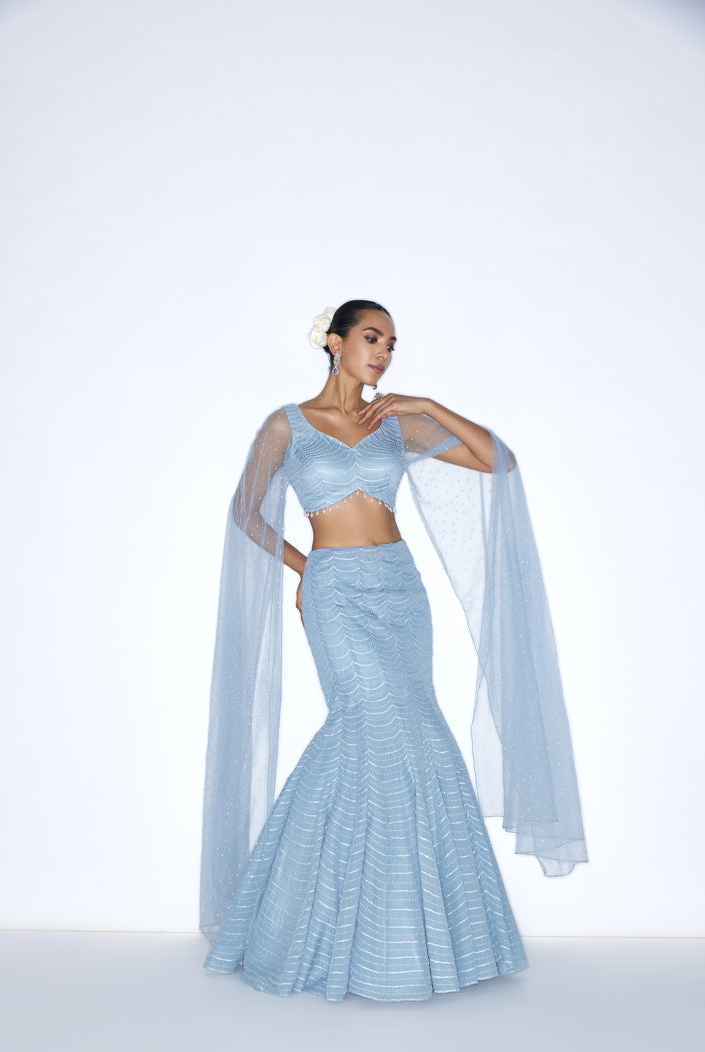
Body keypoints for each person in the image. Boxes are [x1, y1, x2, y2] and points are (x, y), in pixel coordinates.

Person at [199, 299, 587, 1002]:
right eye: (371, 338)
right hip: (337, 594)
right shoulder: (287, 425)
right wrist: (307, 568)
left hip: (401, 592)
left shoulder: (395, 423)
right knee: (368, 723)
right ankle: (305, 922)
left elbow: (500, 461)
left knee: (416, 736)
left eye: (391, 344)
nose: (382, 353)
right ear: (335, 342)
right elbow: (244, 511)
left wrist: (428, 405)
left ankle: (409, 928)